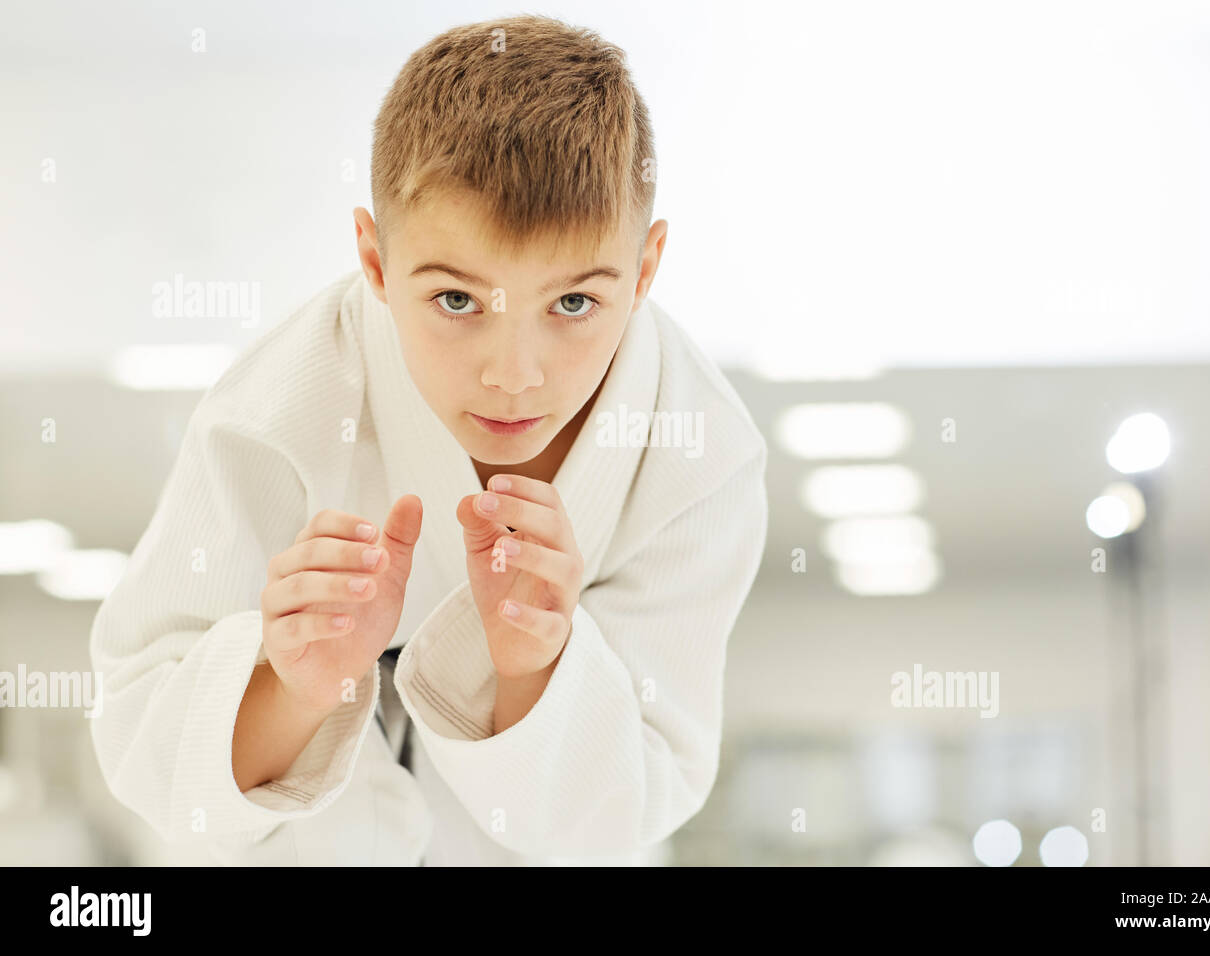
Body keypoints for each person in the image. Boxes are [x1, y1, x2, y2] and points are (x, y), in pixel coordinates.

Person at [88, 14, 767, 865]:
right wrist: (296, 682)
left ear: (645, 269)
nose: (514, 375)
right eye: (456, 301)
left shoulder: (697, 454)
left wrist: (537, 668)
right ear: (374, 262)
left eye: (573, 304)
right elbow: (144, 740)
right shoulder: (274, 412)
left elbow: (637, 795)